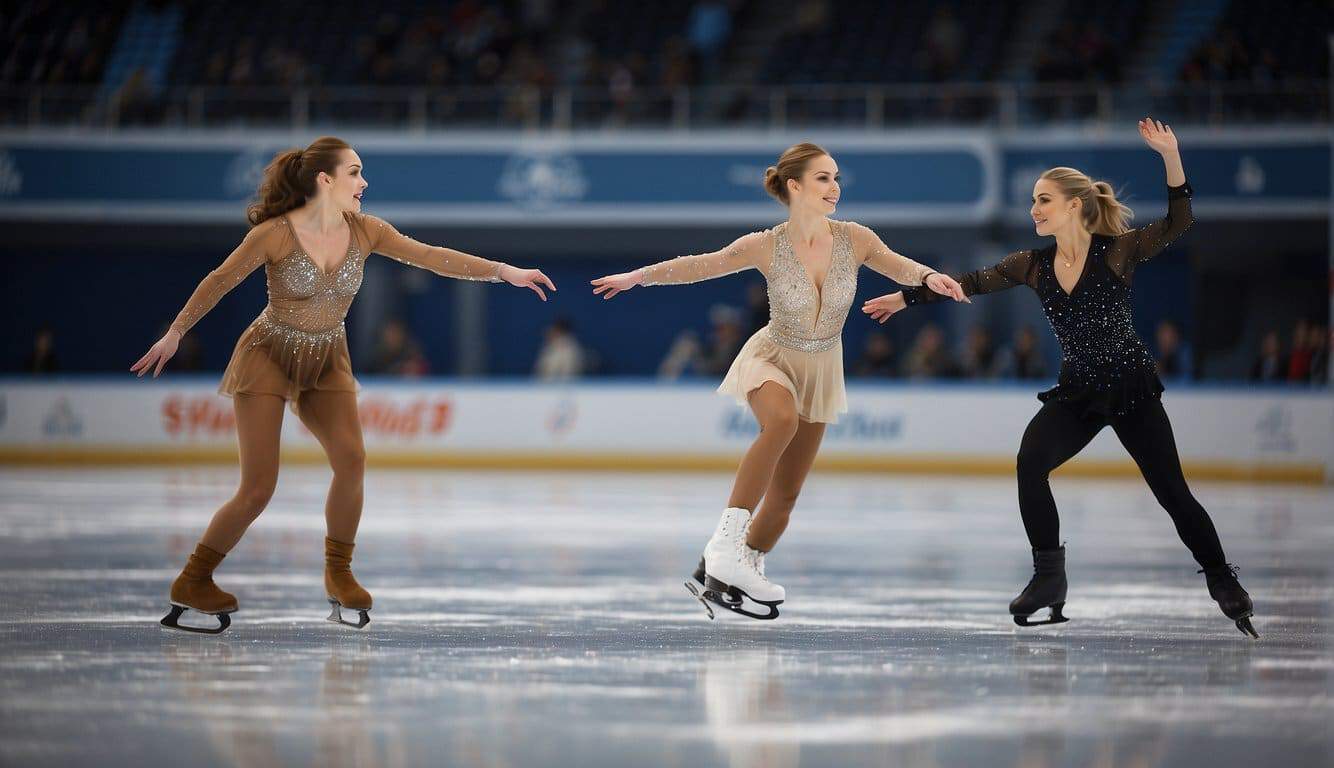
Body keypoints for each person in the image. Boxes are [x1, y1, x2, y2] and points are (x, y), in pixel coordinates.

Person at [132, 136, 554, 633]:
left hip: (328, 356)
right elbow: (221, 279)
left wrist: (504, 271)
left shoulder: (367, 230)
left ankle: (339, 572)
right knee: (258, 487)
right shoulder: (275, 234)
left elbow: (431, 256)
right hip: (268, 354)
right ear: (324, 180)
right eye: (355, 172)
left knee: (352, 461)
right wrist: (176, 332)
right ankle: (194, 577)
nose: (364, 182)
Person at [863, 119, 1256, 638]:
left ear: (1074, 204)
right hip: (1077, 393)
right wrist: (908, 296)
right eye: (1032, 200)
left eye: (1043, 200)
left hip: (1130, 389)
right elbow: (968, 284)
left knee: (1172, 494)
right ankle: (1049, 577)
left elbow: (1180, 220)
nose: (1033, 210)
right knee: (1031, 462)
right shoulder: (1032, 264)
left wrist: (1171, 156)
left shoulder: (1117, 250)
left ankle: (1223, 580)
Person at [591, 142, 964, 619]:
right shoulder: (765, 244)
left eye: (836, 178)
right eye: (824, 178)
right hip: (771, 357)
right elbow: (699, 266)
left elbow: (897, 264)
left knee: (786, 496)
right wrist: (637, 277)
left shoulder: (857, 239)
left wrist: (930, 277)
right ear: (795, 186)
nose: (835, 187)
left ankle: (736, 565)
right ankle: (723, 543)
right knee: (781, 420)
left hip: (822, 366)